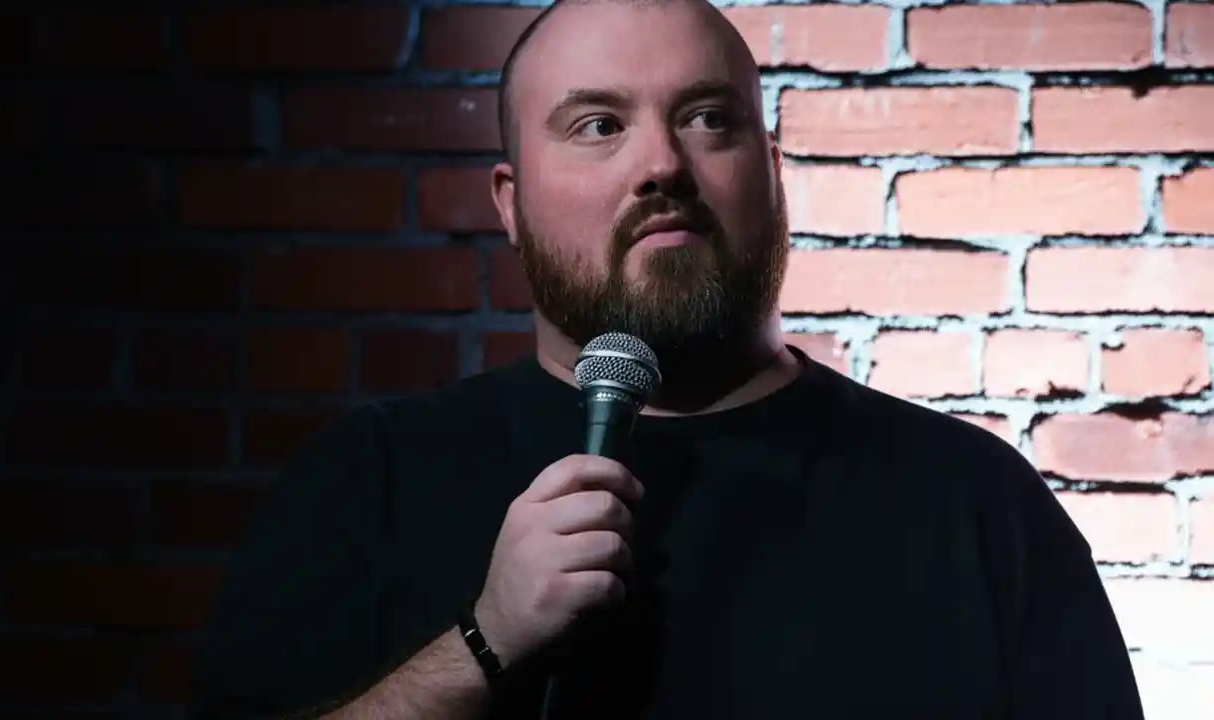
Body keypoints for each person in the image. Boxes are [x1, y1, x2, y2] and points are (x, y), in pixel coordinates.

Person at [191, 1, 1145, 718]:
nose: (662, 165)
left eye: (707, 118)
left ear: (773, 175)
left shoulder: (973, 503)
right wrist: (485, 642)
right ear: (510, 204)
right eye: (598, 125)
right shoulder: (372, 478)